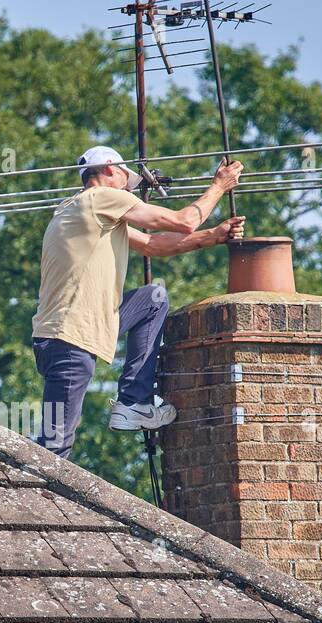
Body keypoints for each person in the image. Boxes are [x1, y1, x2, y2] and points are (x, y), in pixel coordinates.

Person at [32, 144, 245, 460]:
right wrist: (219, 186)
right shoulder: (101, 197)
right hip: (70, 340)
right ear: (108, 168)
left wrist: (213, 235)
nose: (127, 188)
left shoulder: (79, 210)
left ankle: (134, 403)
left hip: (65, 334)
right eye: (124, 178)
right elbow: (185, 221)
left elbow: (153, 244)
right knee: (53, 450)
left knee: (152, 299)